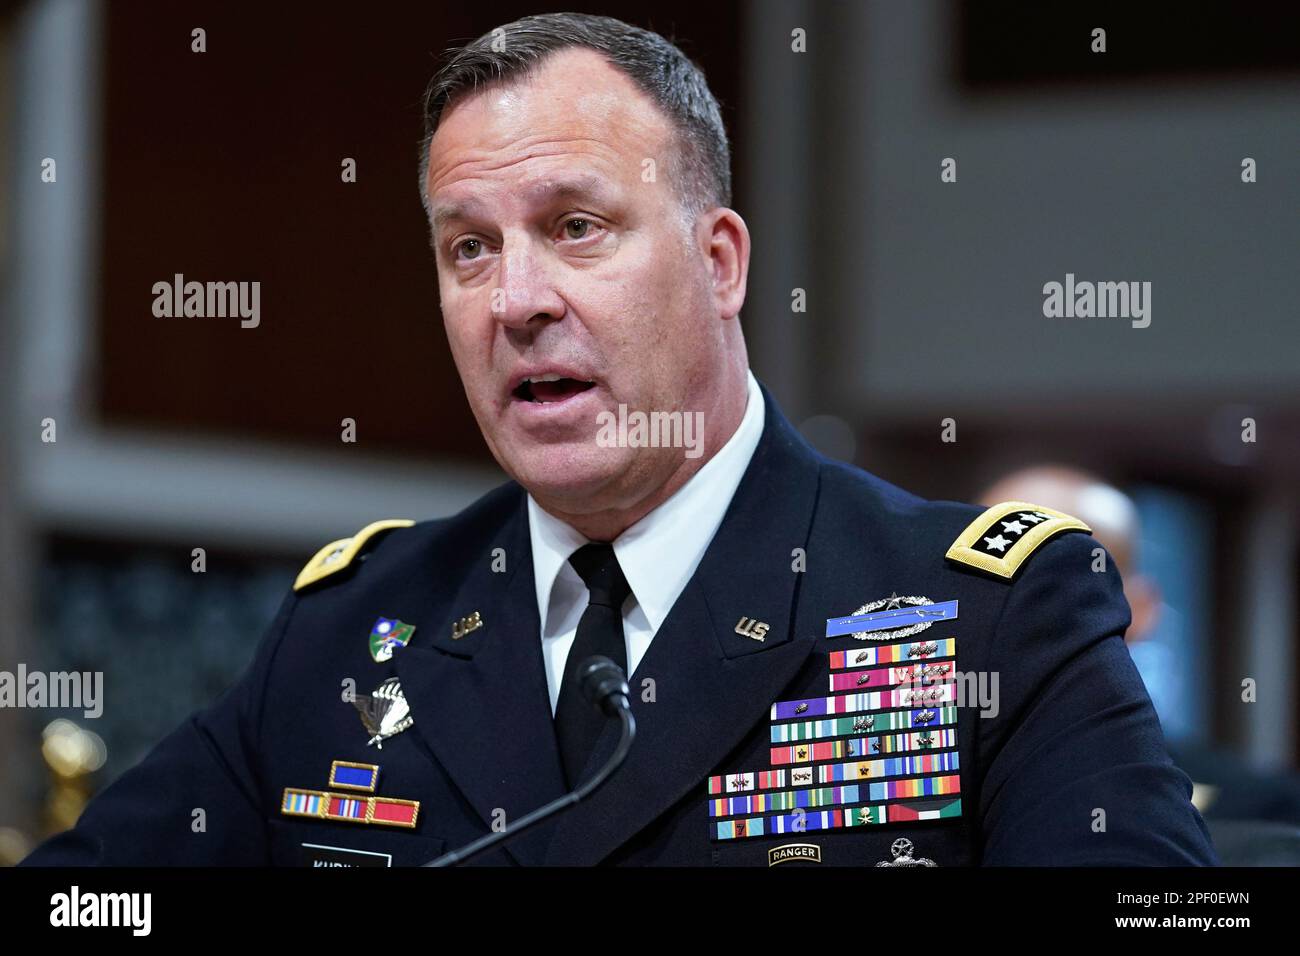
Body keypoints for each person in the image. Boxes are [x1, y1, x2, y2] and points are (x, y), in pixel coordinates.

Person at [23, 13, 1215, 867]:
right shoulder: (355, 622)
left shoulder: (983, 610)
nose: (515, 300)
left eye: (576, 226)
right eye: (468, 248)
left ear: (718, 262)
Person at [980, 465, 1300, 832]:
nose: (1013, 612)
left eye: (1054, 589)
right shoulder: (919, 793)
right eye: (987, 581)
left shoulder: (1259, 810)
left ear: (1141, 609)